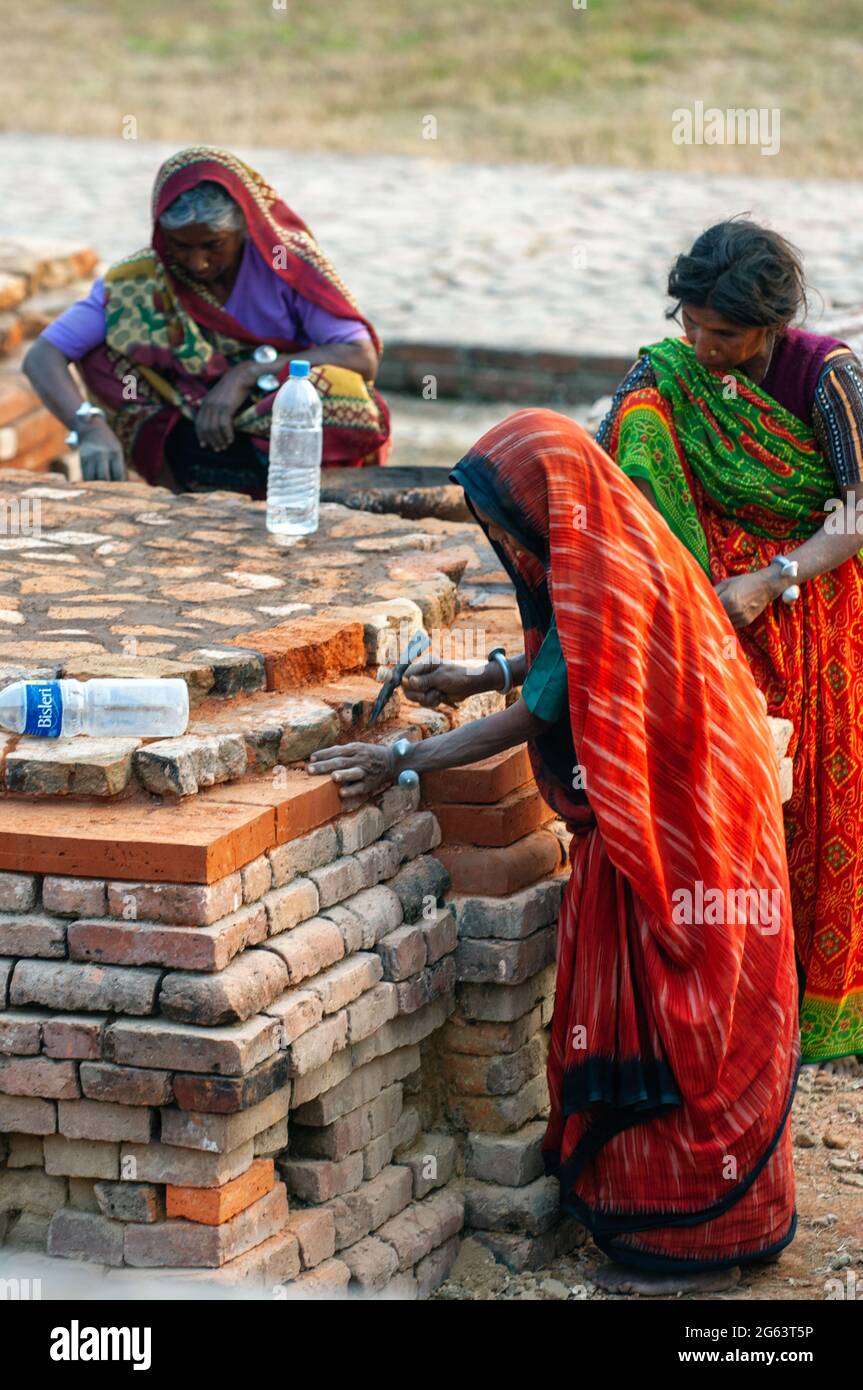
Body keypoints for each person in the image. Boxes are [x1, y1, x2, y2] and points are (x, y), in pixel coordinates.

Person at [308, 408, 799, 1295]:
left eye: (501, 521)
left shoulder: (608, 569)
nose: (499, 539)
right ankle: (678, 1220)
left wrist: (401, 760)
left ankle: (699, 1246)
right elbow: (572, 670)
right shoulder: (608, 541)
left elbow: (548, 707)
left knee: (692, 1014)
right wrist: (481, 673)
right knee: (664, 1008)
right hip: (686, 813)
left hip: (689, 827)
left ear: (548, 509)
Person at [595, 219, 863, 1072]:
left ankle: (815, 1012)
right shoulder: (667, 373)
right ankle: (733, 995)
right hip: (707, 619)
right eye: (692, 326)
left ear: (770, 326)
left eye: (723, 334)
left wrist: (770, 576)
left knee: (816, 803)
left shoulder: (826, 377)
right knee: (728, 804)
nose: (702, 347)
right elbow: (615, 470)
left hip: (814, 621)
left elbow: (858, 514)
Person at [23, 146, 390, 495]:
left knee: (338, 390)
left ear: (244, 229)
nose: (197, 263)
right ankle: (178, 493)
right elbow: (43, 356)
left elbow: (359, 355)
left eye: (213, 245)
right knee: (101, 357)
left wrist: (244, 375)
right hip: (188, 418)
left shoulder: (285, 264)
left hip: (271, 413)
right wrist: (87, 426)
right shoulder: (138, 281)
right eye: (181, 246)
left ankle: (299, 493)